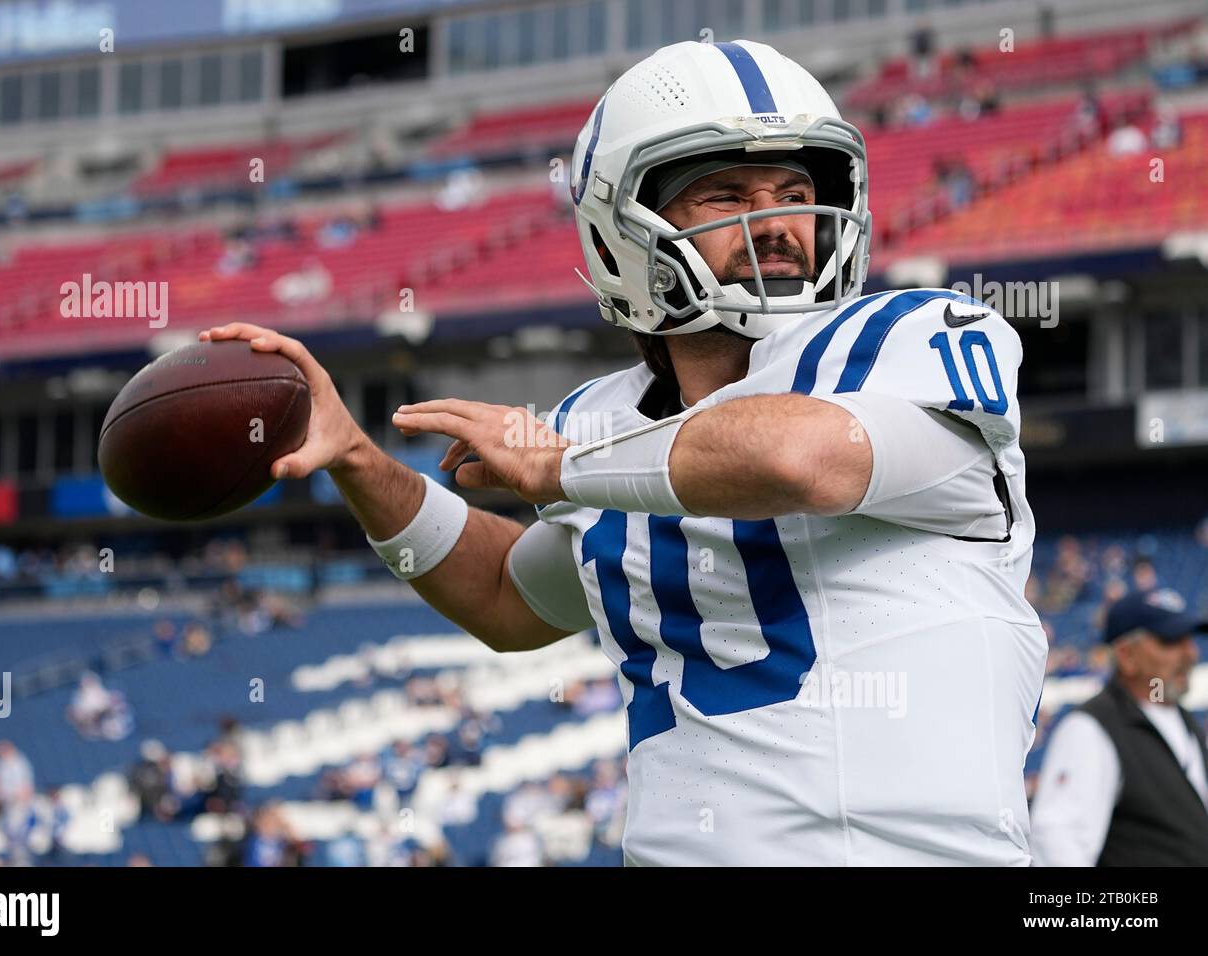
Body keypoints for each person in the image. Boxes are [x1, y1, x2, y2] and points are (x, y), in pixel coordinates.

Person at [200, 39, 1046, 865]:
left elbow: (804, 458)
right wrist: (359, 460)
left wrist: (562, 463)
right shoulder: (603, 425)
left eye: (795, 188)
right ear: (617, 235)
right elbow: (503, 596)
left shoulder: (909, 337)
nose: (780, 220)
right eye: (725, 195)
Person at [1030, 588, 1208, 865]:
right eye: (1170, 641)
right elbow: (1058, 843)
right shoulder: (1091, 728)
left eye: (1190, 640)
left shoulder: (1184, 723)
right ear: (1126, 655)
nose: (1190, 653)